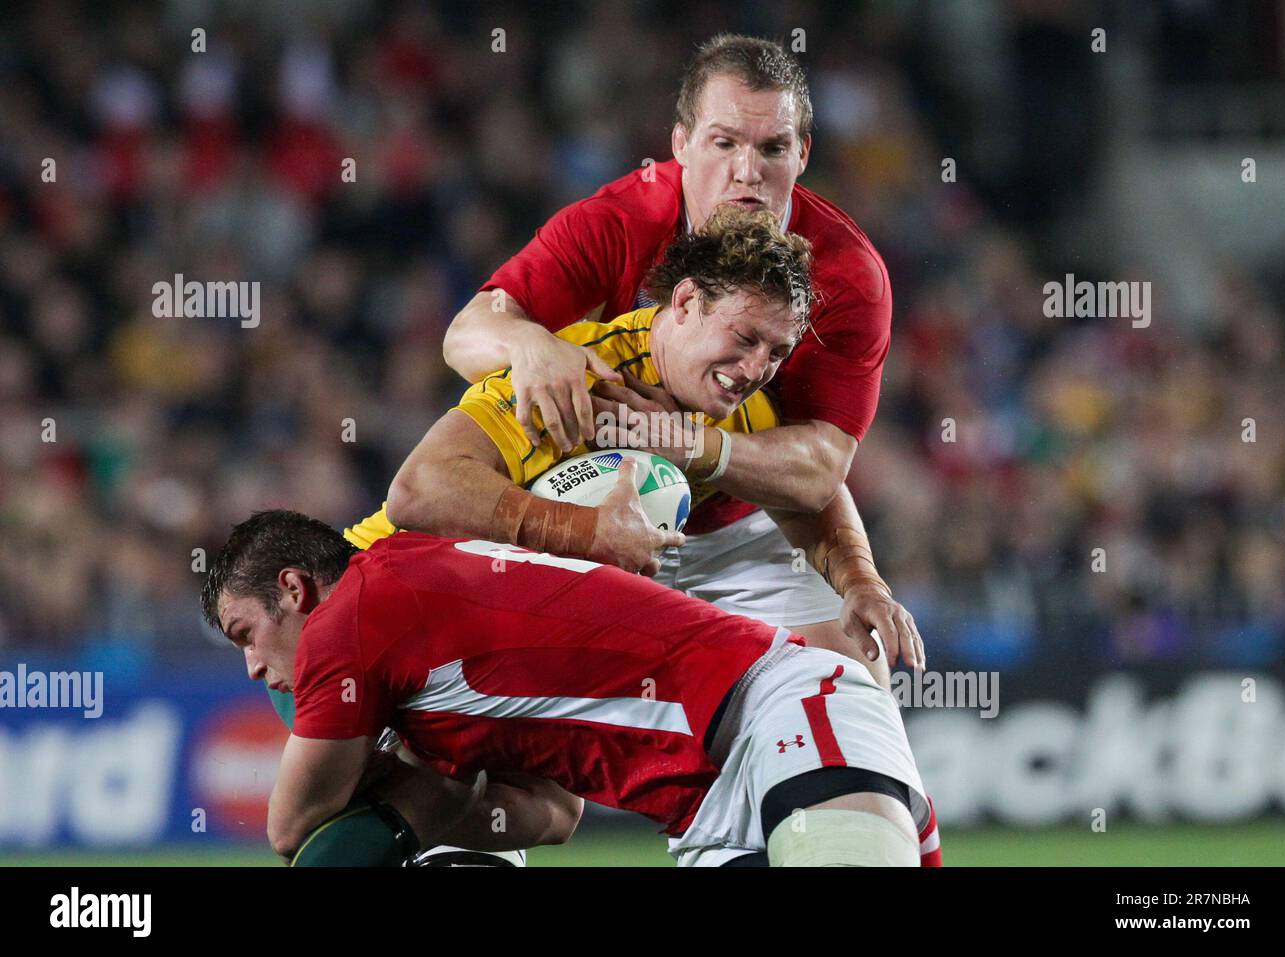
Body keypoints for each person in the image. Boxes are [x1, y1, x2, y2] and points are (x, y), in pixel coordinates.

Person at [440, 33, 926, 711]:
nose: (747, 171)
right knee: (530, 788)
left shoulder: (847, 277)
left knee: (861, 703)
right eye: (725, 143)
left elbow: (820, 468)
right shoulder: (616, 222)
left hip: (743, 526)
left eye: (772, 148)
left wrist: (686, 444)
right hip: (595, 510)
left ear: (802, 155)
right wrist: (529, 344)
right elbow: (465, 333)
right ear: (682, 144)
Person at [203, 509, 931, 867]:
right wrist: (435, 798)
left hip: (773, 710)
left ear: (294, 588)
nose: (253, 667)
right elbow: (552, 814)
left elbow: (288, 827)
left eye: (244, 634)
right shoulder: (409, 604)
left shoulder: (351, 617)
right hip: (705, 809)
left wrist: (405, 798)